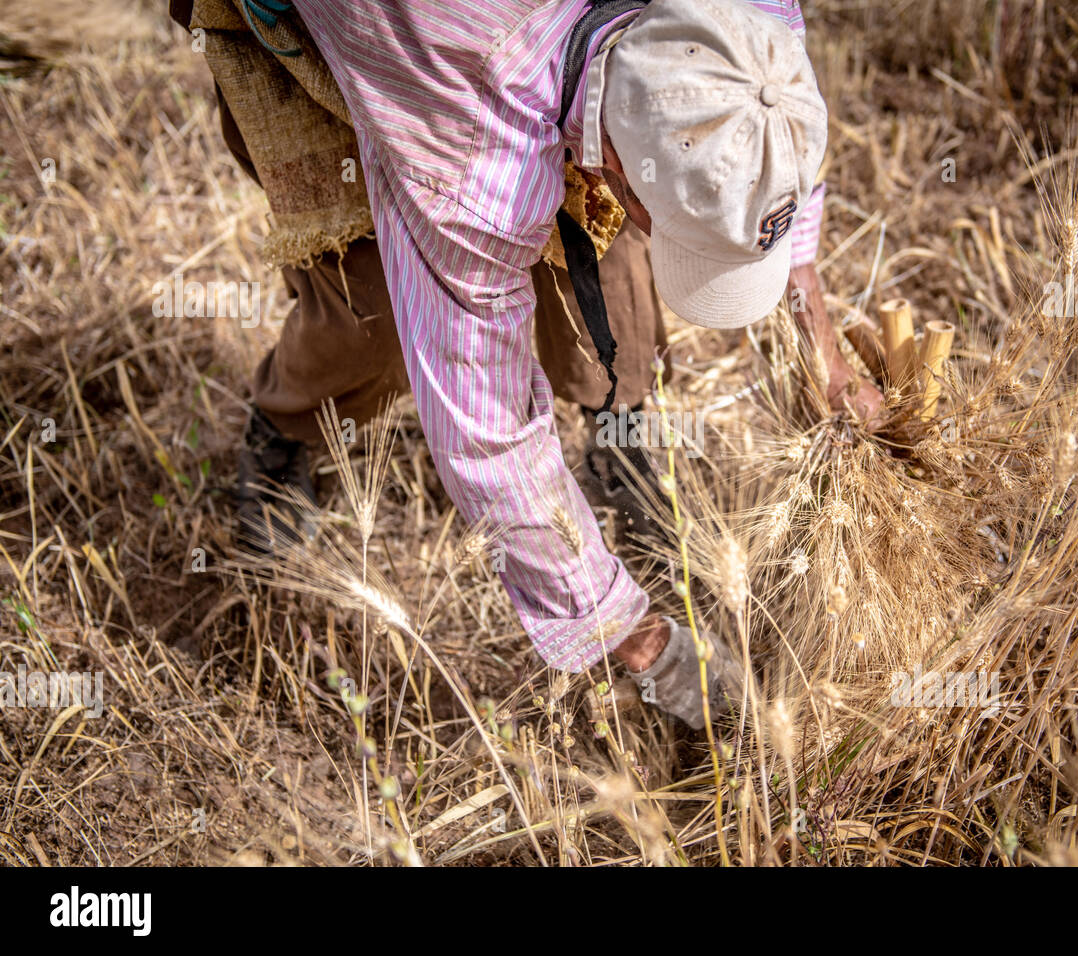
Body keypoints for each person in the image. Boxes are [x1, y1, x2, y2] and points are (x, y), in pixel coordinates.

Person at [178, 0, 883, 728]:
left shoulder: (747, 23)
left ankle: (618, 421)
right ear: (611, 157)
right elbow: (487, 428)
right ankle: (290, 426)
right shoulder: (468, 146)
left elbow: (755, 122)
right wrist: (641, 645)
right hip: (392, 35)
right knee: (373, 305)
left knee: (612, 260)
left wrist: (819, 345)